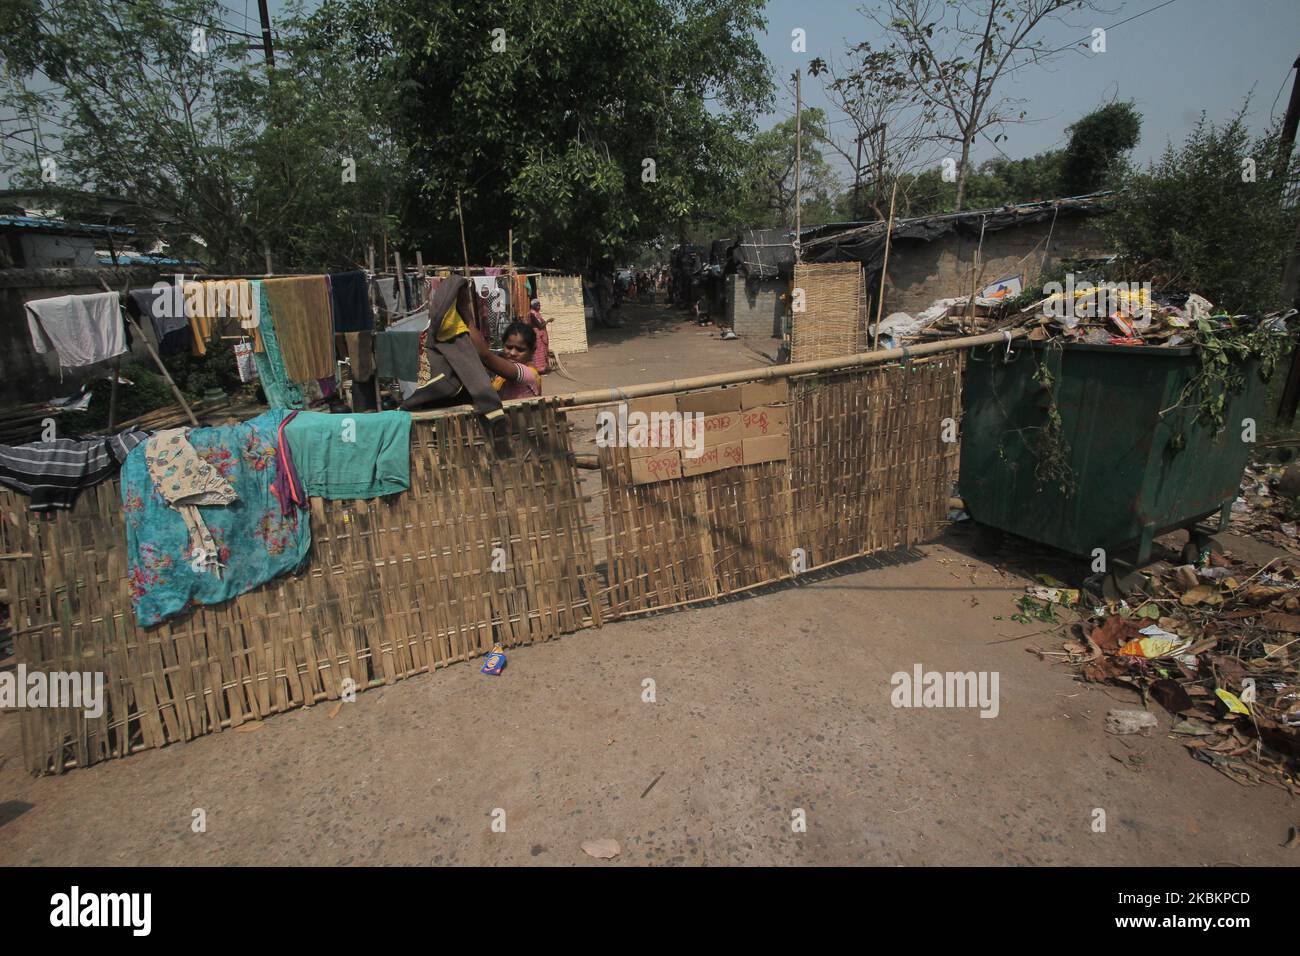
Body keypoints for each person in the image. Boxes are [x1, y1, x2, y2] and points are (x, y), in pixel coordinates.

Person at [471, 320, 541, 400]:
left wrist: (469, 320)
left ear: (532, 351)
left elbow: (486, 357)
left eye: (520, 349)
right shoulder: (501, 378)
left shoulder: (529, 373)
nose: (512, 353)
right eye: (509, 347)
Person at [527, 297, 551, 373]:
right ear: (533, 306)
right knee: (538, 352)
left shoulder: (536, 313)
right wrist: (548, 321)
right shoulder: (532, 314)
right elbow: (540, 326)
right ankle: (539, 369)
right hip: (536, 336)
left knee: (542, 351)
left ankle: (543, 368)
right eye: (537, 305)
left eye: (539, 305)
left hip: (539, 335)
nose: (539, 307)